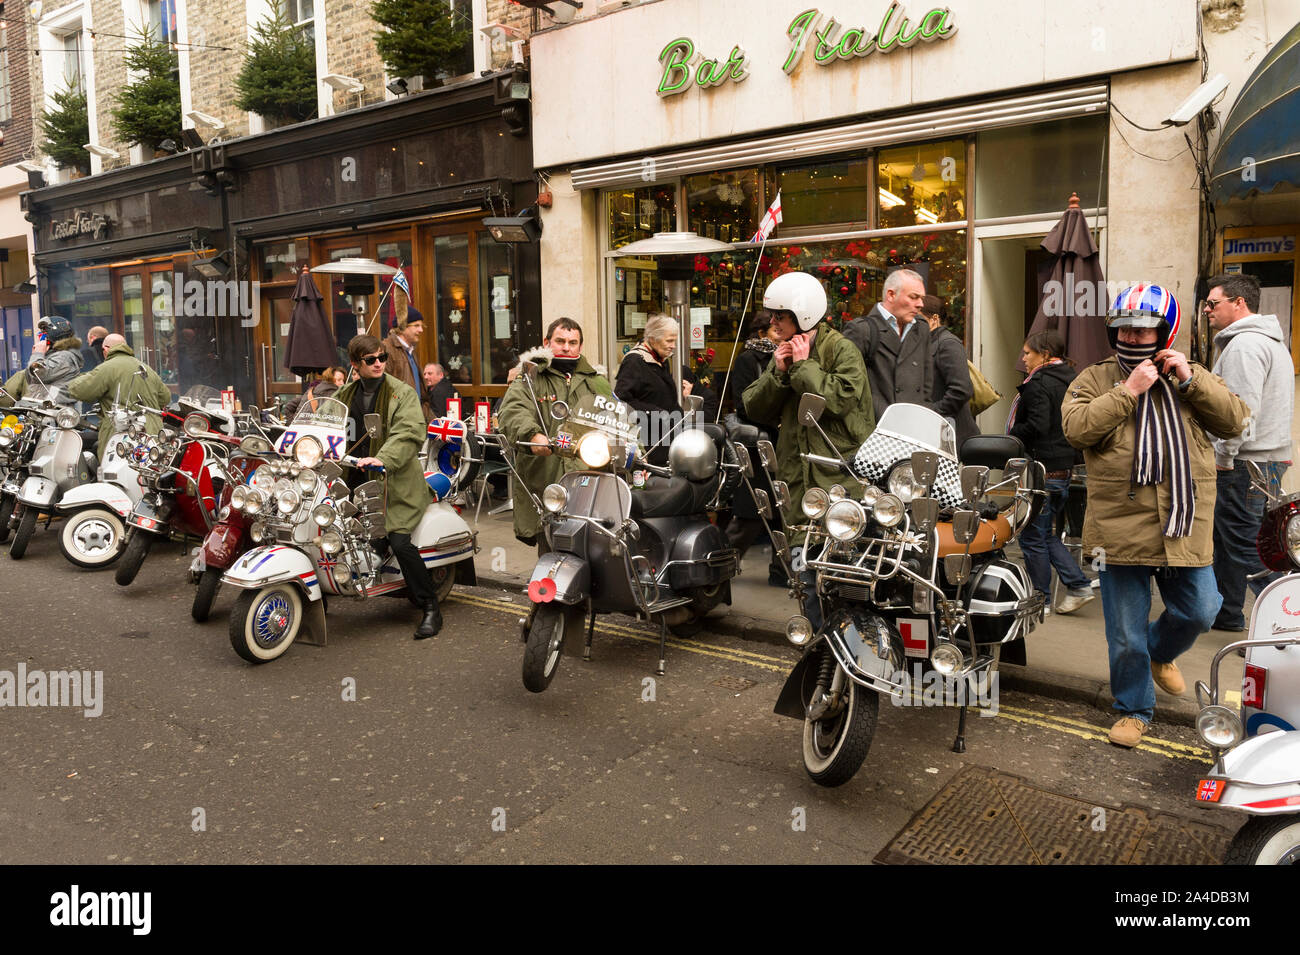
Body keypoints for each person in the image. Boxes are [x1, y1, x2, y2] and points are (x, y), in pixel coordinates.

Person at [1061, 284, 1250, 748]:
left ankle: (1160, 652)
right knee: (1124, 633)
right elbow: (1075, 429)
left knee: (1202, 610)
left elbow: (1236, 421)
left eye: (1144, 328)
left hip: (1184, 524)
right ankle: (1132, 709)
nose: (1134, 335)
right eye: (1125, 327)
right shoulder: (1094, 378)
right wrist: (1127, 392)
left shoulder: (1190, 373)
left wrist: (1191, 380)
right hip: (1118, 528)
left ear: (1163, 329)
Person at [742, 272, 876, 626]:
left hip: (839, 481)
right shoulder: (783, 352)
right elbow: (753, 407)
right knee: (804, 574)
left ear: (802, 315)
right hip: (798, 484)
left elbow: (835, 401)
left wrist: (803, 366)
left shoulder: (841, 349)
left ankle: (847, 644)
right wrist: (781, 372)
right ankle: (817, 649)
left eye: (779, 316)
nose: (773, 322)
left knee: (841, 575)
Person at [333, 335, 442, 640]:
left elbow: (410, 432)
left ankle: (430, 606)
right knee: (325, 527)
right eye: (370, 360)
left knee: (399, 540)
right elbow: (323, 423)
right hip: (353, 478)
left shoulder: (401, 393)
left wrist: (381, 459)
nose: (379, 363)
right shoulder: (343, 395)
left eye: (381, 357)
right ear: (355, 364)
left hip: (396, 483)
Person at [1203, 273, 1295, 632]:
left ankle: (1285, 625)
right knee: (1228, 541)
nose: (1207, 310)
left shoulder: (1244, 346)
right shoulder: (1269, 342)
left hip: (1244, 463)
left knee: (1247, 546)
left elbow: (1240, 411)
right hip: (1264, 460)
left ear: (1239, 303)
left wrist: (1224, 457)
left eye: (1214, 303)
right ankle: (1227, 615)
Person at [497, 317, 614, 547]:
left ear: (581, 346)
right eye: (560, 341)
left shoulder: (597, 383)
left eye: (573, 342)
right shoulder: (530, 377)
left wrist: (637, 452)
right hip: (547, 479)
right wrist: (532, 434)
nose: (567, 347)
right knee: (551, 550)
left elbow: (617, 418)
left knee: (595, 548)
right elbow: (512, 411)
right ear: (547, 342)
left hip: (587, 479)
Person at [1008, 329, 1093, 616]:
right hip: (1063, 470)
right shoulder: (1072, 378)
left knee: (1032, 536)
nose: (1023, 359)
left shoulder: (1039, 383)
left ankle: (1041, 598)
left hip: (1041, 471)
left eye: (1027, 353)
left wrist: (1012, 436)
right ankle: (1078, 584)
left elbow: (1037, 425)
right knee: (1046, 535)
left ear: (1044, 354)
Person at [724, 310, 786, 586]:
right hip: (757, 447)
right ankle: (719, 566)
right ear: (761, 333)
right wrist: (777, 419)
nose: (780, 335)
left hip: (782, 447)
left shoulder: (786, 358)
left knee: (783, 512)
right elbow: (744, 403)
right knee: (750, 515)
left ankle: (783, 572)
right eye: (774, 332)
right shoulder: (747, 360)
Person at [67, 333, 172, 461]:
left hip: (121, 435)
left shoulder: (107, 368)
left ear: (105, 349)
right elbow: (165, 397)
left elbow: (80, 390)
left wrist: (75, 379)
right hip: (152, 435)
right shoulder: (146, 368)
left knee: (115, 476)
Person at [842, 268, 931, 416]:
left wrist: (923, 416)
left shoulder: (921, 327)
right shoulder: (861, 330)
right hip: (877, 427)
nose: (920, 304)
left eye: (922, 298)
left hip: (912, 424)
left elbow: (927, 383)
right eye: (914, 297)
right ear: (891, 295)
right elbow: (848, 386)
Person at [614, 313, 694, 459]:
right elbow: (622, 401)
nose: (673, 346)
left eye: (674, 341)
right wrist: (657, 413)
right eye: (669, 341)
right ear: (652, 339)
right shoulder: (634, 361)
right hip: (647, 442)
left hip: (666, 438)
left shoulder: (661, 359)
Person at [922, 295, 979, 449]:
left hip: (952, 434)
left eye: (918, 319)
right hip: (938, 431)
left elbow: (961, 390)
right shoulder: (926, 343)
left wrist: (932, 412)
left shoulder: (947, 343)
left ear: (934, 319)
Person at [0, 317, 84, 408]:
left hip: (55, 413)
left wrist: (37, 354)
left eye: (44, 334)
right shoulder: (52, 356)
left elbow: (39, 374)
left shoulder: (65, 357)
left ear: (54, 336)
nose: (41, 338)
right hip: (40, 411)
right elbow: (32, 379)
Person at [383, 311, 432, 422]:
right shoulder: (386, 349)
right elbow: (384, 390)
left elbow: (421, 394)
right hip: (400, 422)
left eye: (421, 326)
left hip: (415, 420)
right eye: (416, 326)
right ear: (402, 327)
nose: (421, 330)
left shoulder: (411, 351)